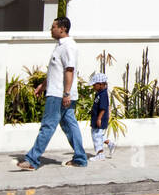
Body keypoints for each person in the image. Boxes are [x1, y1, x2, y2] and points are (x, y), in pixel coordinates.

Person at [16, 17, 87, 170]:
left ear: (63, 29)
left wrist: (66, 93)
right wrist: (43, 85)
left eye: (54, 27)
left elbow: (69, 70)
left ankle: (32, 160)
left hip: (58, 94)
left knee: (48, 126)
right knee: (70, 125)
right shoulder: (60, 46)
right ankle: (80, 159)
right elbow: (57, 71)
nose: (51, 29)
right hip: (59, 92)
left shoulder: (68, 46)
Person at [90, 72, 111, 160]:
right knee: (98, 135)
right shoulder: (99, 93)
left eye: (95, 85)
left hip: (100, 118)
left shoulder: (103, 95)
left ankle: (100, 154)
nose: (93, 86)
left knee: (97, 136)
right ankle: (110, 143)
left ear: (101, 84)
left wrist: (99, 119)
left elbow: (103, 108)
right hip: (96, 118)